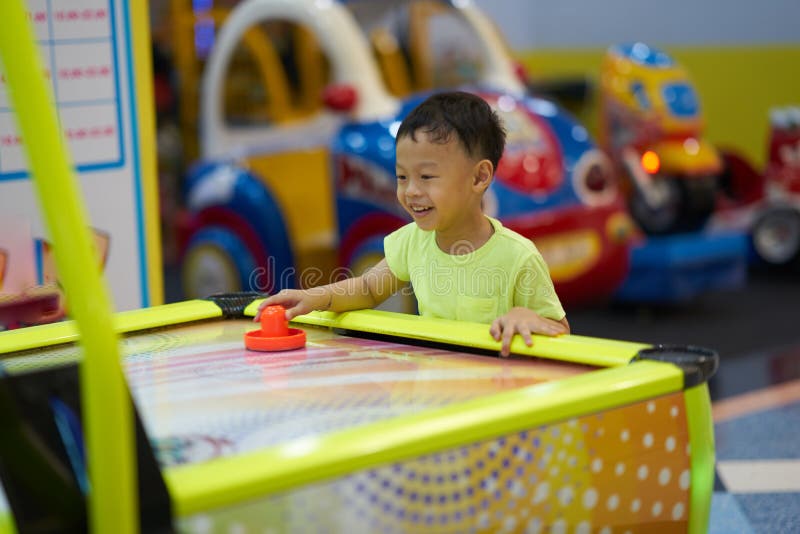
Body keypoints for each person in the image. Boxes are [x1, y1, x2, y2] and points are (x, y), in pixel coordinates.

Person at [257, 91, 569, 356]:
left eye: (427, 177)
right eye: (402, 177)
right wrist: (314, 297)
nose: (411, 191)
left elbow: (560, 330)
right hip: (435, 387)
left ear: (479, 177)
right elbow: (367, 289)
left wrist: (524, 316)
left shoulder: (518, 257)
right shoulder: (412, 241)